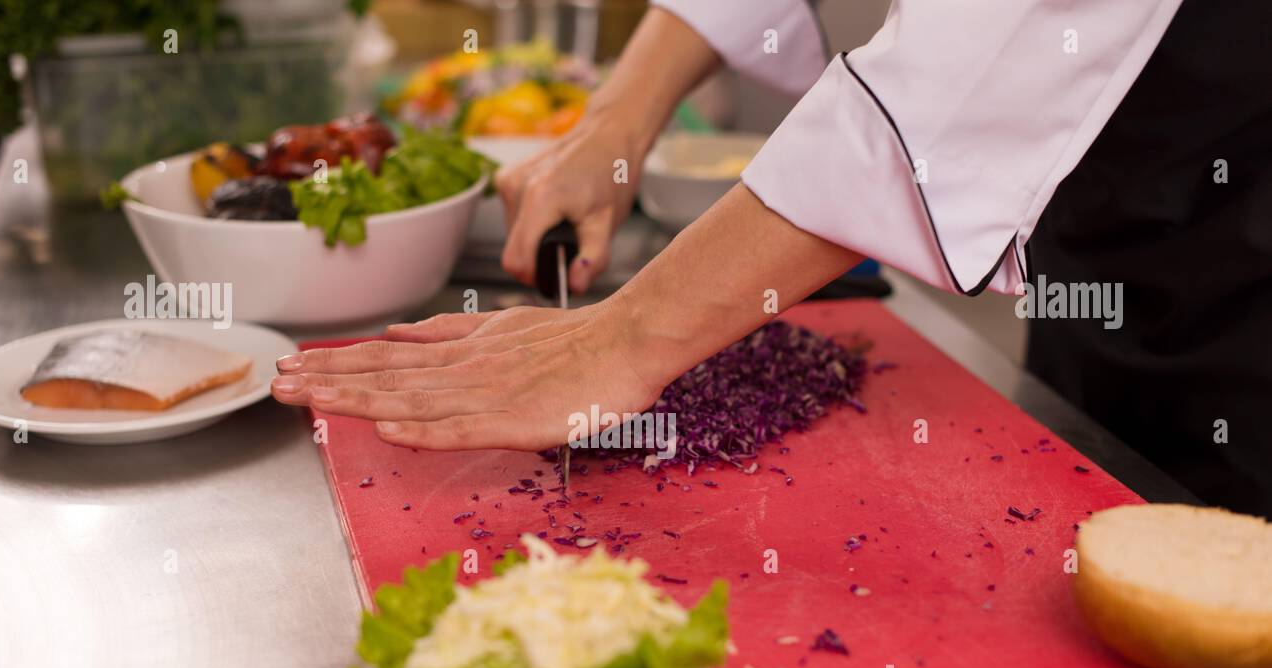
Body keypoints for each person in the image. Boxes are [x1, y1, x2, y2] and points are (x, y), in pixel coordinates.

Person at [271, 0, 1272, 517]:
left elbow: (999, 42)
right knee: (1094, 485)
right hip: (1099, 211)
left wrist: (621, 338)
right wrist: (613, 123)